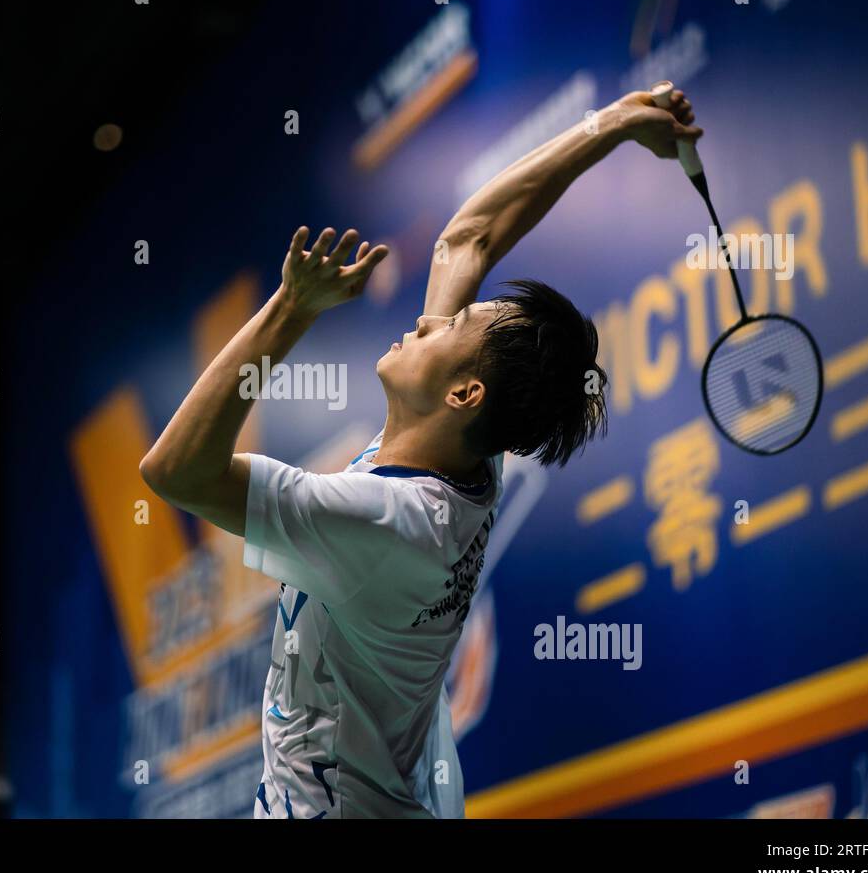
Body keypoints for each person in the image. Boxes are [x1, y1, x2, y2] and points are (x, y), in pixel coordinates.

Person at [140, 87, 701, 818]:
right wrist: (613, 124)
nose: (427, 324)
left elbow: (176, 471)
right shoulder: (467, 457)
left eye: (449, 328)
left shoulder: (388, 520)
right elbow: (468, 238)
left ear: (465, 392)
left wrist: (289, 311)